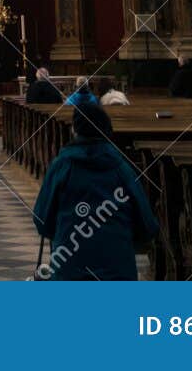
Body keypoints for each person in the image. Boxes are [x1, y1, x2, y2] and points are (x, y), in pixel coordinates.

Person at [32, 102, 159, 280]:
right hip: (116, 272)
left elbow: (41, 220)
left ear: (75, 131)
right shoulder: (121, 169)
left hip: (69, 271)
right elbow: (147, 225)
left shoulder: (62, 166)